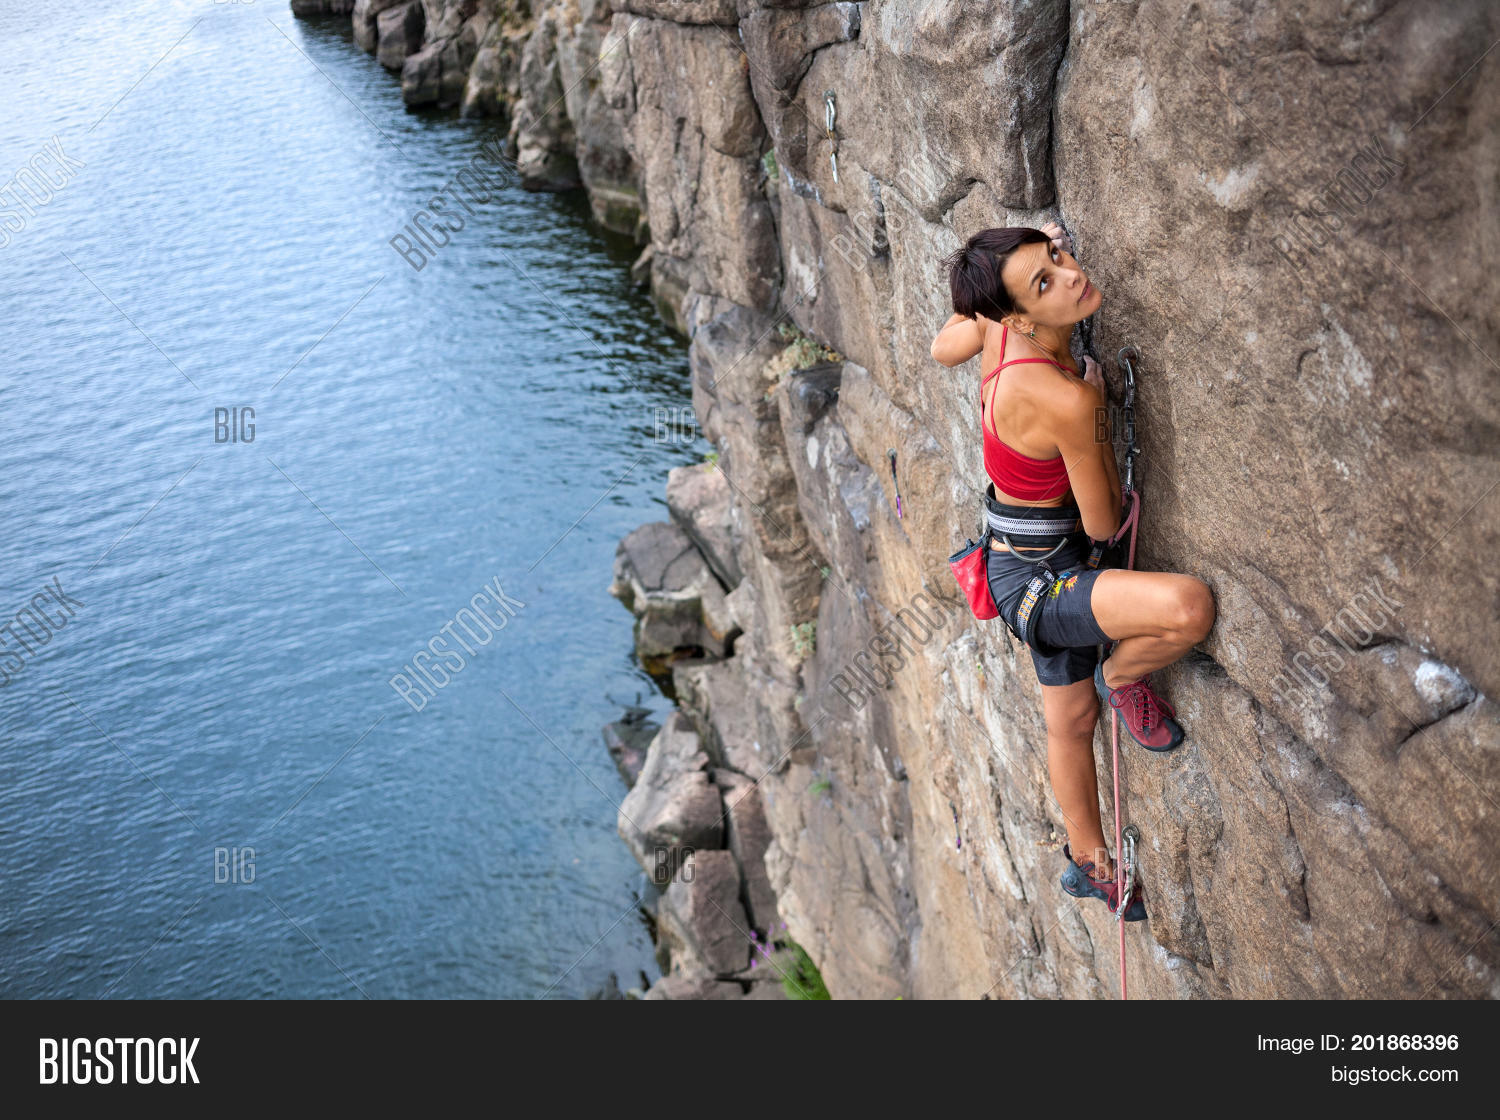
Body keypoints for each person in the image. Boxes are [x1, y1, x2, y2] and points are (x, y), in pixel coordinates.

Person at [930, 222, 1216, 921]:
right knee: (1188, 609)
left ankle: (1089, 862)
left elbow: (945, 346)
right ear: (1020, 314)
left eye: (1058, 256)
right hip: (1043, 580)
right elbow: (1100, 523)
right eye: (1045, 280)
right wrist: (1095, 420)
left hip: (1011, 560)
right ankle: (1121, 674)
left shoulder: (995, 330)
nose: (1071, 274)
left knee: (1071, 719)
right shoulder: (1066, 398)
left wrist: (1025, 267)